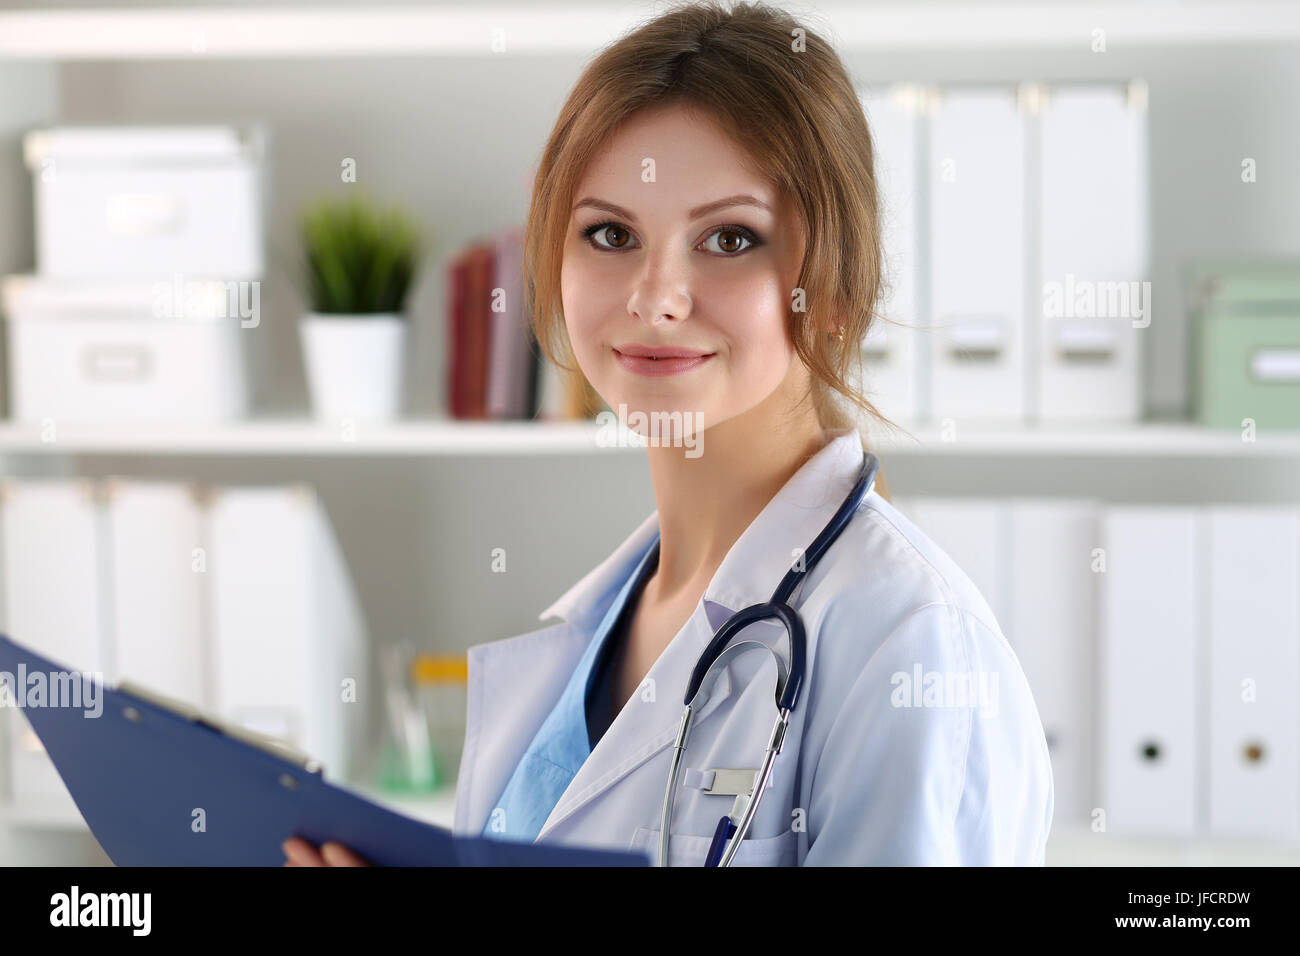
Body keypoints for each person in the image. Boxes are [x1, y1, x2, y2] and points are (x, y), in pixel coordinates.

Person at [283, 0, 1052, 868]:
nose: (655, 296)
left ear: (837, 292)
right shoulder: (612, 615)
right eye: (610, 234)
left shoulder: (908, 644)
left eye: (729, 238)